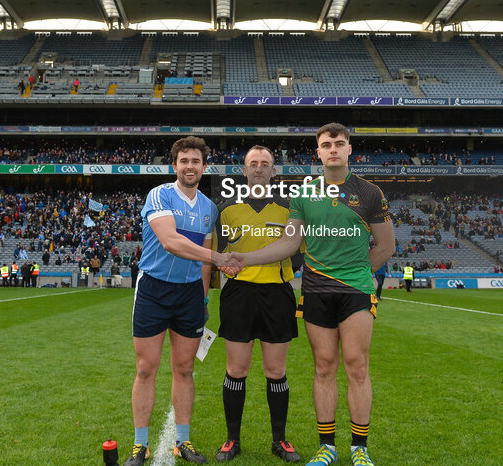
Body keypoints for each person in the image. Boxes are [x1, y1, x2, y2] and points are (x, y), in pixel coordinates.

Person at [234, 123, 395, 466]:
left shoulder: (370, 193)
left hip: (355, 291)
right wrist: (244, 259)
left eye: (339, 143)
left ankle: (359, 448)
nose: (333, 148)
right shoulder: (304, 194)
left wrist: (355, 274)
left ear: (349, 149)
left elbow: (386, 246)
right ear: (318, 153)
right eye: (326, 144)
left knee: (357, 366)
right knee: (323, 367)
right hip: (316, 290)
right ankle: (327, 447)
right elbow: (289, 243)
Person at [122, 136, 233, 466]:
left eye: (195, 161)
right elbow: (170, 241)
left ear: (204, 167)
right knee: (146, 368)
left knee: (185, 369)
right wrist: (219, 257)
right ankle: (140, 445)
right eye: (184, 161)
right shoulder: (160, 194)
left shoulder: (210, 208)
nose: (189, 166)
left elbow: (203, 261)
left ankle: (183, 441)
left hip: (189, 294)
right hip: (153, 290)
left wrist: (203, 297)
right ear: (175, 165)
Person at [213, 145, 302, 463]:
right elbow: (219, 253)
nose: (259, 168)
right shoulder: (226, 210)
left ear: (274, 171)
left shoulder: (290, 208)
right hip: (239, 295)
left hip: (277, 294)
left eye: (265, 164)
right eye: (254, 163)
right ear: (245, 170)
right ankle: (232, 440)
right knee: (236, 369)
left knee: (276, 370)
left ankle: (280, 440)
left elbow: (297, 253)